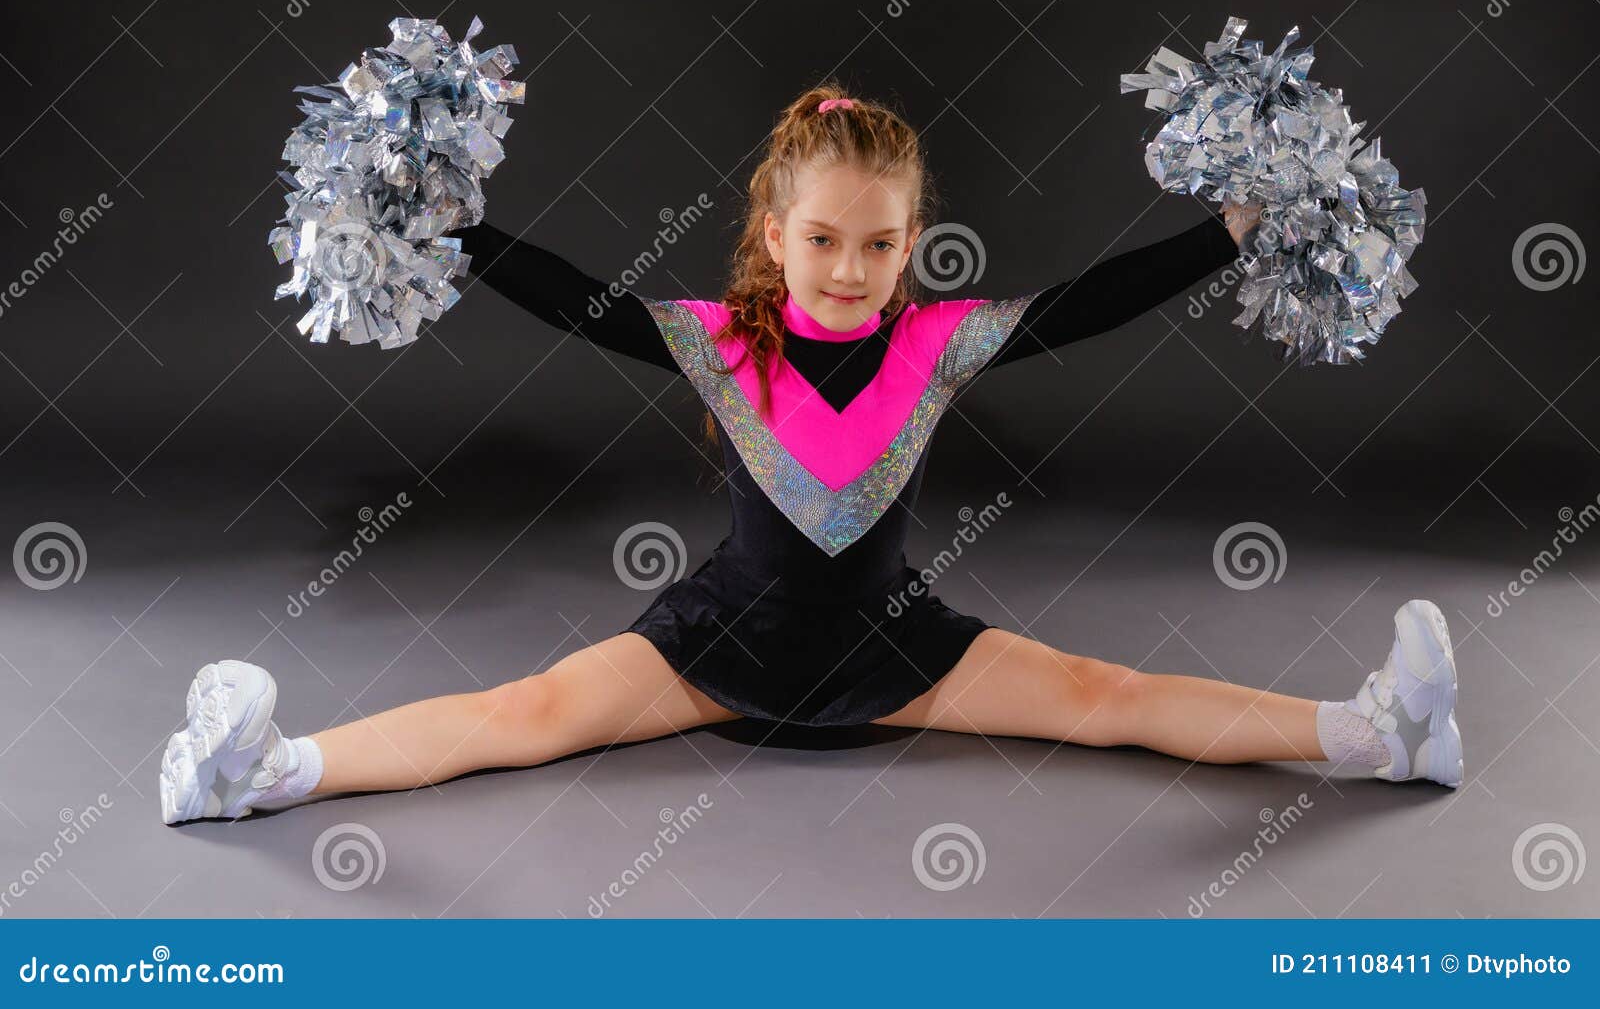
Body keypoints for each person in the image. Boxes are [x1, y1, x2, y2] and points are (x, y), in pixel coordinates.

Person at [159, 87, 1462, 824]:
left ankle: (1380, 734)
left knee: (1106, 696)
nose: (850, 269)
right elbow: (580, 301)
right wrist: (462, 227)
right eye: (825, 240)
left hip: (896, 651)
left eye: (881, 245)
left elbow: (1094, 300)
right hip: (722, 647)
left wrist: (1233, 228)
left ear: (913, 246)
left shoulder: (939, 344)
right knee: (528, 715)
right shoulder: (721, 341)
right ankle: (265, 771)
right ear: (774, 236)